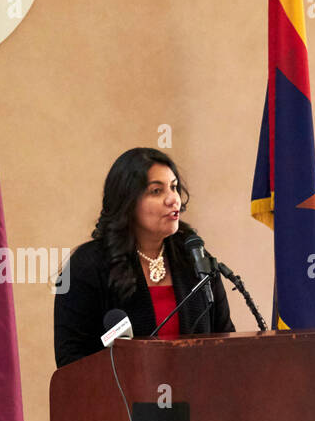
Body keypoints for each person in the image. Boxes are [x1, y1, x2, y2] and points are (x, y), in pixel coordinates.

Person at [53, 147, 236, 368]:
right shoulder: (87, 267)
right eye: (156, 191)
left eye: (174, 187)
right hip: (119, 401)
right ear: (127, 202)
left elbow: (226, 344)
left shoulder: (194, 259)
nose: (173, 200)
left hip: (197, 400)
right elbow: (71, 361)